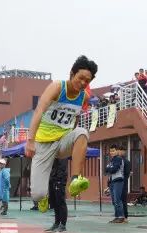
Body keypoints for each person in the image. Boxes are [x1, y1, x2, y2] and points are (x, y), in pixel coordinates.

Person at [25, 55, 97, 213]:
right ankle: (42, 198)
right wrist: (30, 140)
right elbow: (39, 111)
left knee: (82, 132)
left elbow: (76, 119)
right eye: (81, 78)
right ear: (72, 74)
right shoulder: (57, 87)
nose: (84, 83)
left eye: (88, 81)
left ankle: (75, 180)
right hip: (43, 143)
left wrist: (72, 138)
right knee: (37, 194)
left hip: (62, 140)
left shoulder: (84, 96)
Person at [45, 158, 69, 233]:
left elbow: (62, 167)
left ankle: (63, 225)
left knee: (60, 202)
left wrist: (59, 178)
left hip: (59, 180)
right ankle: (56, 223)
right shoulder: (53, 153)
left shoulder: (62, 153)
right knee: (54, 203)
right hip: (52, 179)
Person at [105, 145, 125, 223]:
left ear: (117, 151)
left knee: (117, 199)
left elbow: (114, 169)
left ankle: (121, 217)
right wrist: (109, 168)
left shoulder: (118, 159)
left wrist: (109, 168)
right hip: (112, 182)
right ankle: (117, 216)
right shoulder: (112, 160)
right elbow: (106, 169)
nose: (112, 152)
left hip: (118, 181)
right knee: (114, 201)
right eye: (110, 151)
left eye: (113, 151)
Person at [117, 145, 132, 222]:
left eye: (121, 150)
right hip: (117, 184)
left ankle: (125, 216)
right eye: (118, 150)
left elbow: (127, 173)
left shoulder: (126, 162)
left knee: (123, 200)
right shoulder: (116, 161)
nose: (119, 152)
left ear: (124, 152)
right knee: (118, 201)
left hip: (123, 183)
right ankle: (119, 216)